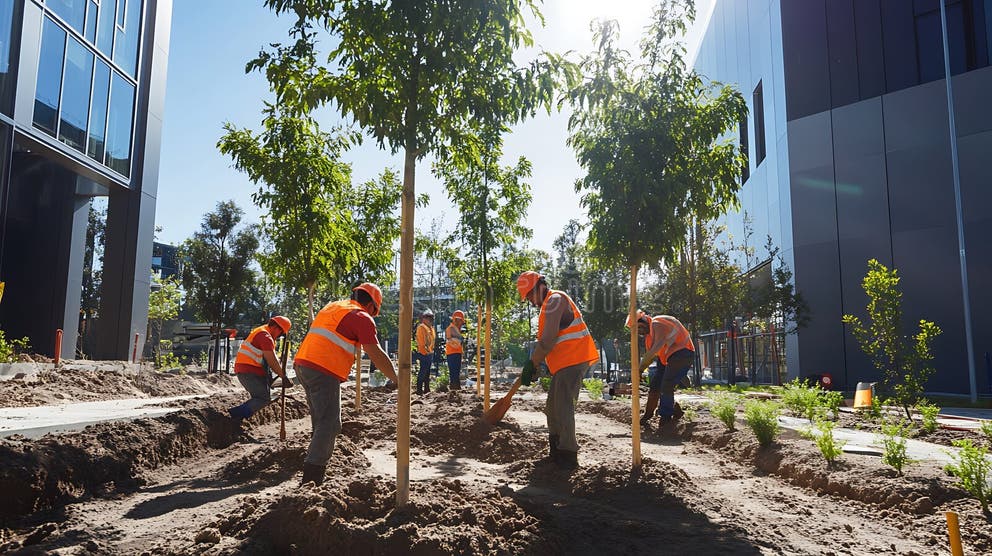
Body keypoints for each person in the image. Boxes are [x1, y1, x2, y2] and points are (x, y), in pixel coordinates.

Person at [294, 283, 398, 485]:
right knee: (331, 424)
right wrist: (397, 378)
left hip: (304, 365)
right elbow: (374, 352)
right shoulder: (361, 316)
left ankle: (312, 470)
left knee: (321, 422)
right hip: (322, 369)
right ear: (371, 307)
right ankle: (312, 479)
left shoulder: (335, 307)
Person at [517, 271, 599, 469]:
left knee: (562, 407)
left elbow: (547, 341)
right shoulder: (547, 306)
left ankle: (568, 455)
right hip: (564, 363)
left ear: (540, 287)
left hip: (574, 359)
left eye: (529, 295)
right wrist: (538, 365)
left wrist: (533, 363)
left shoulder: (555, 300)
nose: (529, 301)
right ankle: (555, 450)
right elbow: (549, 344)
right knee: (552, 408)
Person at [628, 310, 695, 427]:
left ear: (643, 322)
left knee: (666, 385)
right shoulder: (649, 337)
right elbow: (652, 355)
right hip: (668, 359)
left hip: (683, 353)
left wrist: (639, 369)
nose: (639, 332)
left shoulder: (657, 323)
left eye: (638, 328)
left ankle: (666, 417)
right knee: (655, 385)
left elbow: (654, 350)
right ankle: (649, 414)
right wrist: (639, 371)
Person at [228, 316, 292, 422]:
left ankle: (237, 417)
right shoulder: (265, 336)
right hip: (248, 372)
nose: (279, 336)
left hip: (250, 371)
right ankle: (235, 415)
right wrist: (283, 376)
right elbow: (272, 361)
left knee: (263, 397)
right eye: (281, 333)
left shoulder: (263, 332)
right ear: (277, 328)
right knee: (263, 398)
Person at [415, 309, 435, 394]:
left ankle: (427, 388)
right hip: (424, 353)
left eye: (431, 318)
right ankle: (419, 390)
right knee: (423, 371)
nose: (430, 319)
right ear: (424, 319)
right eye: (428, 318)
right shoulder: (422, 327)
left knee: (427, 372)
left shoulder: (430, 328)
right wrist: (426, 351)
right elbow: (422, 342)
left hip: (429, 352)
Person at [445, 310, 466, 390]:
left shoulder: (455, 329)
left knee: (456, 372)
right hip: (452, 353)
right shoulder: (451, 329)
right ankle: (454, 388)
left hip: (456, 352)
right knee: (454, 372)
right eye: (460, 321)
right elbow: (452, 341)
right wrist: (460, 341)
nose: (461, 323)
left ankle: (456, 387)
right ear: (456, 320)